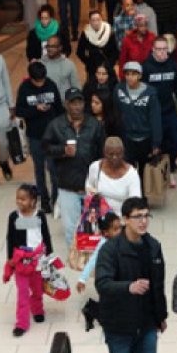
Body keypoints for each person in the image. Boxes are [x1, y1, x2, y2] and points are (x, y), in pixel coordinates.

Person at [95, 197, 168, 353]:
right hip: (119, 325)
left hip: (146, 324)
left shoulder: (154, 247)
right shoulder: (110, 250)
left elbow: (158, 285)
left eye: (146, 215)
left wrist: (161, 316)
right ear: (125, 219)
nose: (143, 221)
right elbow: (102, 284)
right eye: (138, 216)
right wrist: (129, 287)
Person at [44, 88, 106, 259]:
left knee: (92, 224)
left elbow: (103, 152)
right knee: (71, 227)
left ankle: (91, 258)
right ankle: (76, 256)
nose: (77, 106)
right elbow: (46, 148)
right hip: (66, 186)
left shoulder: (94, 125)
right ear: (66, 105)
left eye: (79, 102)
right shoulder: (56, 126)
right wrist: (62, 151)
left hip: (91, 187)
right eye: (73, 103)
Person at [4, 184, 53, 336]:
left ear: (33, 200)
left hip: (38, 261)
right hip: (21, 262)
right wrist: (10, 259)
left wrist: (50, 255)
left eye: (23, 199)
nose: (19, 202)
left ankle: (38, 309)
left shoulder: (40, 216)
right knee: (23, 293)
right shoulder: (14, 217)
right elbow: (10, 238)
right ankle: (22, 323)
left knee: (38, 289)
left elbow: (45, 235)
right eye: (17, 198)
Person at [15, 62, 64, 212]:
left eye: (42, 80)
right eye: (37, 81)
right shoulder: (24, 88)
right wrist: (35, 109)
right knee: (39, 170)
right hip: (35, 136)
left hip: (52, 137)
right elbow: (19, 111)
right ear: (31, 78)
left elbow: (59, 109)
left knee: (54, 170)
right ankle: (44, 200)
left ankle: (56, 200)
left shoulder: (51, 85)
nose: (41, 83)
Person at [143, 36, 177, 181]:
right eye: (158, 49)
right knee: (156, 141)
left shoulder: (173, 66)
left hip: (169, 109)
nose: (161, 53)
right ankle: (159, 166)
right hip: (152, 112)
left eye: (164, 49)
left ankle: (171, 162)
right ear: (153, 50)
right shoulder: (146, 67)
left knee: (175, 140)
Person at [115, 61, 162, 175]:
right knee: (128, 172)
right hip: (127, 139)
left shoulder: (150, 93)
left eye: (134, 74)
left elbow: (155, 118)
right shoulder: (119, 90)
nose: (130, 77)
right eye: (127, 74)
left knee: (144, 173)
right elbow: (116, 112)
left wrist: (156, 143)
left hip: (145, 139)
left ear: (140, 75)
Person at [86, 136, 142, 216]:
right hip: (99, 218)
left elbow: (135, 202)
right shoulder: (95, 167)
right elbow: (89, 186)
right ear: (104, 152)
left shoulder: (132, 174)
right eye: (111, 154)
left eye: (118, 154)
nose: (115, 157)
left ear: (123, 153)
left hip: (122, 219)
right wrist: (93, 195)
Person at [77, 10, 120, 80]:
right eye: (93, 20)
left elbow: (115, 51)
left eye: (98, 20)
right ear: (90, 22)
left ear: (101, 20)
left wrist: (109, 64)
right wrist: (88, 62)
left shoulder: (109, 32)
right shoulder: (85, 34)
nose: (96, 23)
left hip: (107, 67)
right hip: (92, 68)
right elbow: (79, 52)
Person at [41, 35, 82, 103]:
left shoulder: (69, 64)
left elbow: (76, 87)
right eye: (48, 46)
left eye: (53, 46)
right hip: (45, 105)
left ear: (60, 48)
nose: (49, 49)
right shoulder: (40, 64)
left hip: (64, 105)